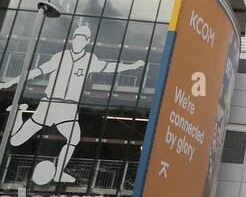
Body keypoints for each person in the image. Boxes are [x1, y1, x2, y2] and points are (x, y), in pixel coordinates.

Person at [0, 23, 144, 187]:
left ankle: (60, 171)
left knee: (74, 137)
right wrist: (10, 83)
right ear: (72, 39)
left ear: (87, 41)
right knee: (16, 141)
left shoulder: (89, 59)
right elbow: (37, 71)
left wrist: (131, 66)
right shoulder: (60, 57)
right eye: (76, 38)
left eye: (82, 39)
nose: (78, 42)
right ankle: (18, 113)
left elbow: (109, 67)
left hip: (69, 107)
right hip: (50, 103)